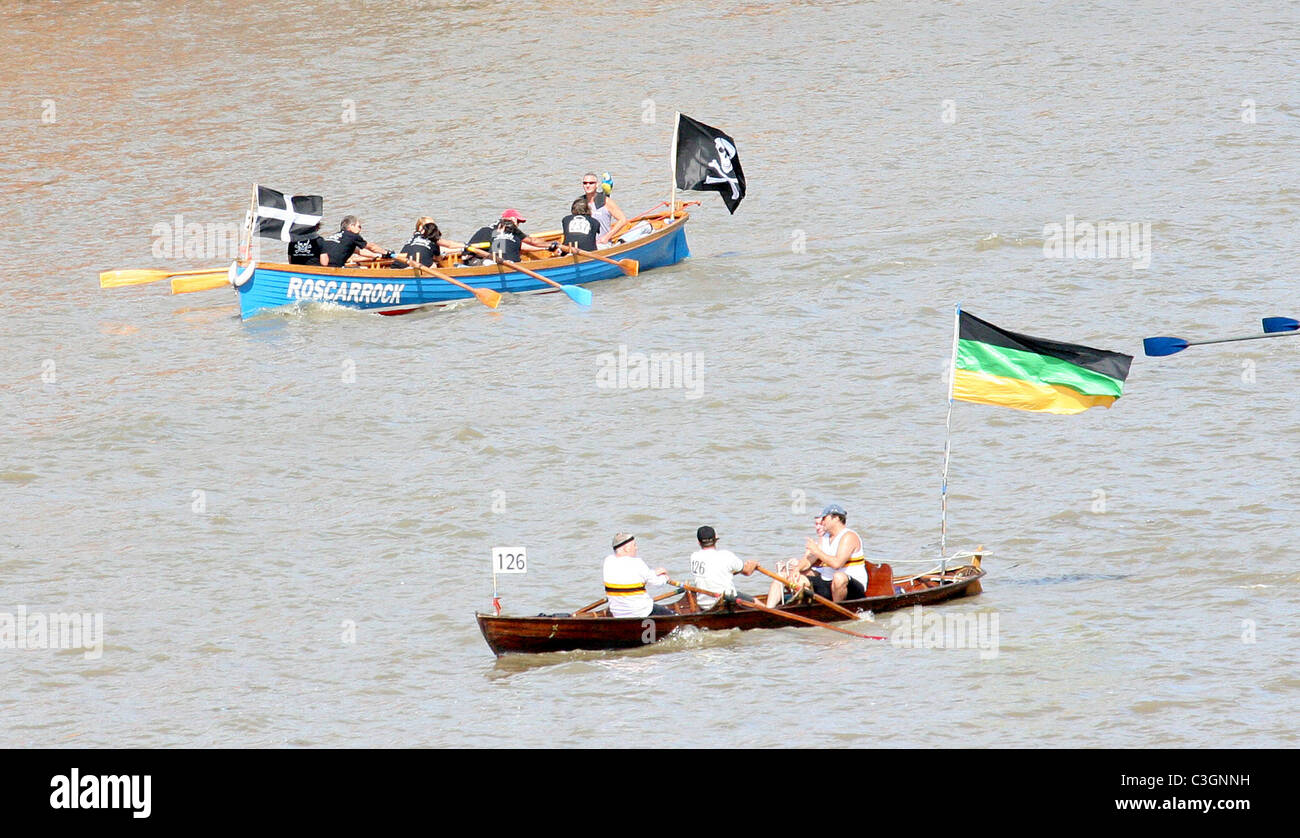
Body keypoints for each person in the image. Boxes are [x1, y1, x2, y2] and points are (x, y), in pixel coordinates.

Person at [802, 504, 869, 602]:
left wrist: (816, 551)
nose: (821, 522)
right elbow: (809, 560)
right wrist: (795, 570)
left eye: (824, 518)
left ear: (836, 518)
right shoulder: (824, 537)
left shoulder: (849, 536)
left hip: (850, 587)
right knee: (798, 578)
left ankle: (837, 609)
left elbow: (837, 564)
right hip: (828, 582)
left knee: (838, 577)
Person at [602, 533, 671, 618]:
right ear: (626, 548)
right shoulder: (637, 563)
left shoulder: (608, 561)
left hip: (618, 615)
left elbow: (631, 577)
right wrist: (665, 578)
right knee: (676, 618)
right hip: (642, 613)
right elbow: (656, 582)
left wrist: (653, 573)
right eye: (634, 545)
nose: (636, 548)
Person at [689, 526, 757, 610]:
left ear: (699, 542)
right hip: (726, 601)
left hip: (703, 604)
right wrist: (754, 564)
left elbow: (715, 573)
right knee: (756, 601)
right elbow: (747, 572)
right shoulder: (726, 556)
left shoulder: (694, 557)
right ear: (716, 539)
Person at [462, 209, 555, 265]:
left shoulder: (497, 227)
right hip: (473, 261)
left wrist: (544, 248)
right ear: (511, 220)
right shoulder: (502, 228)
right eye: (518, 222)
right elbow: (528, 243)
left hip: (471, 257)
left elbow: (517, 244)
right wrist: (548, 246)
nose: (518, 225)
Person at [577, 172, 626, 247]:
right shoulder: (580, 202)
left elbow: (622, 220)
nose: (587, 185)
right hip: (585, 245)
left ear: (597, 185)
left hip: (602, 244)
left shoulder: (606, 201)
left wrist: (607, 237)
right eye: (585, 183)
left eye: (591, 183)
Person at [320, 216, 389, 268]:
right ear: (351, 226)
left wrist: (378, 255)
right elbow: (372, 247)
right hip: (334, 268)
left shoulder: (337, 237)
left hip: (322, 265)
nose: (360, 229)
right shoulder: (352, 236)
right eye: (359, 226)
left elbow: (359, 251)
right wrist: (386, 253)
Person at [394, 217, 460, 268]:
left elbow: (443, 248)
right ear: (420, 227)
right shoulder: (432, 239)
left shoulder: (413, 237)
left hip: (400, 265)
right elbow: (443, 251)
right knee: (433, 265)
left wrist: (460, 249)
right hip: (413, 266)